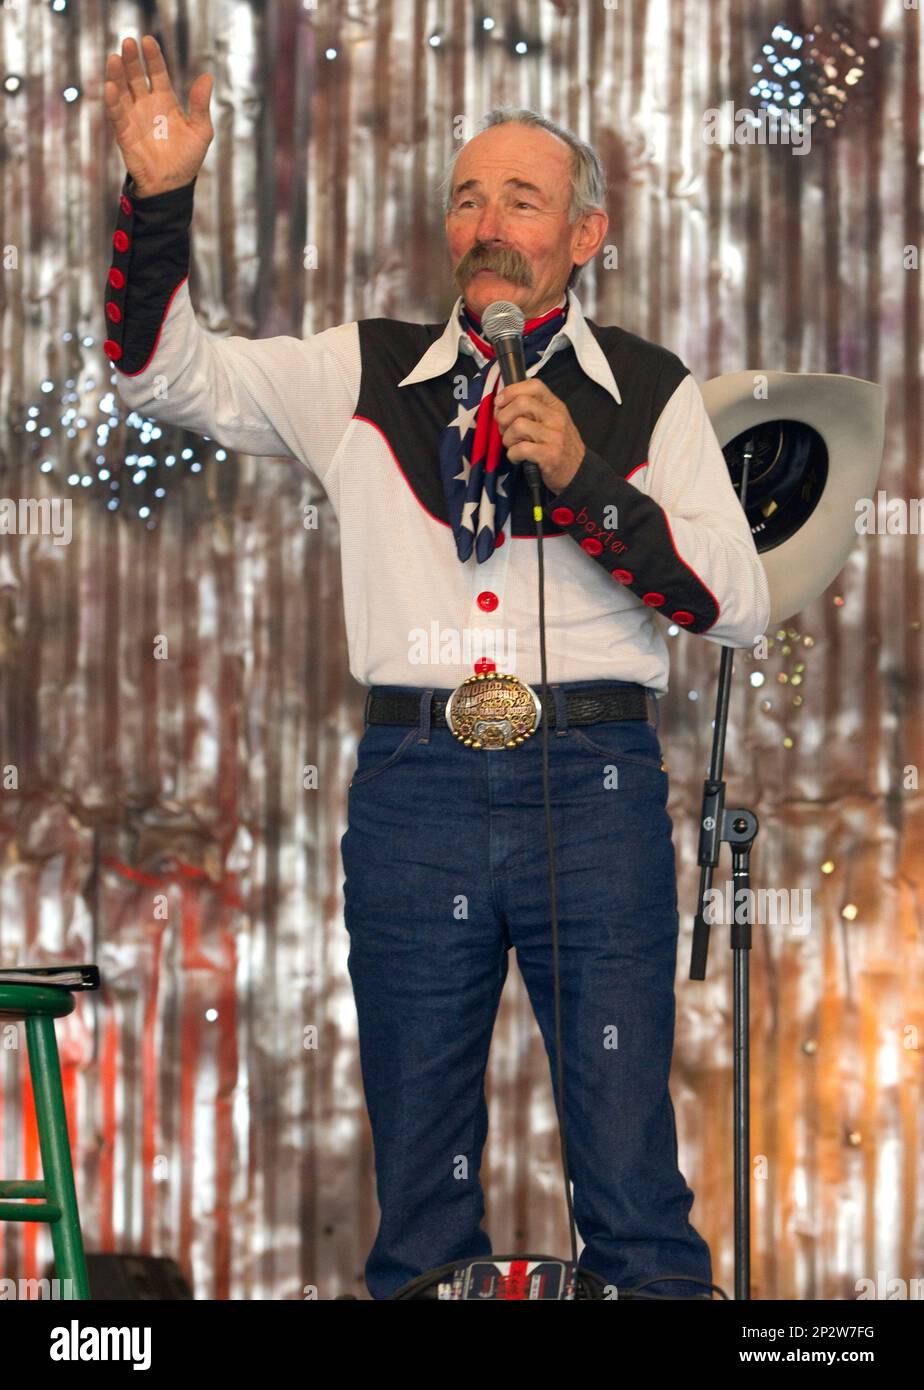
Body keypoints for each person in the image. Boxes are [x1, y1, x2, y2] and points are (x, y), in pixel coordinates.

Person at [103, 35, 771, 1300]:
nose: (487, 222)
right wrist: (160, 198)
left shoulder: (649, 389)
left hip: (597, 781)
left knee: (630, 1178)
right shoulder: (360, 373)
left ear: (586, 233)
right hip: (417, 784)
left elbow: (732, 604)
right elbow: (157, 374)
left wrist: (584, 479)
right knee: (420, 1188)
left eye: (521, 198)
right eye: (467, 197)